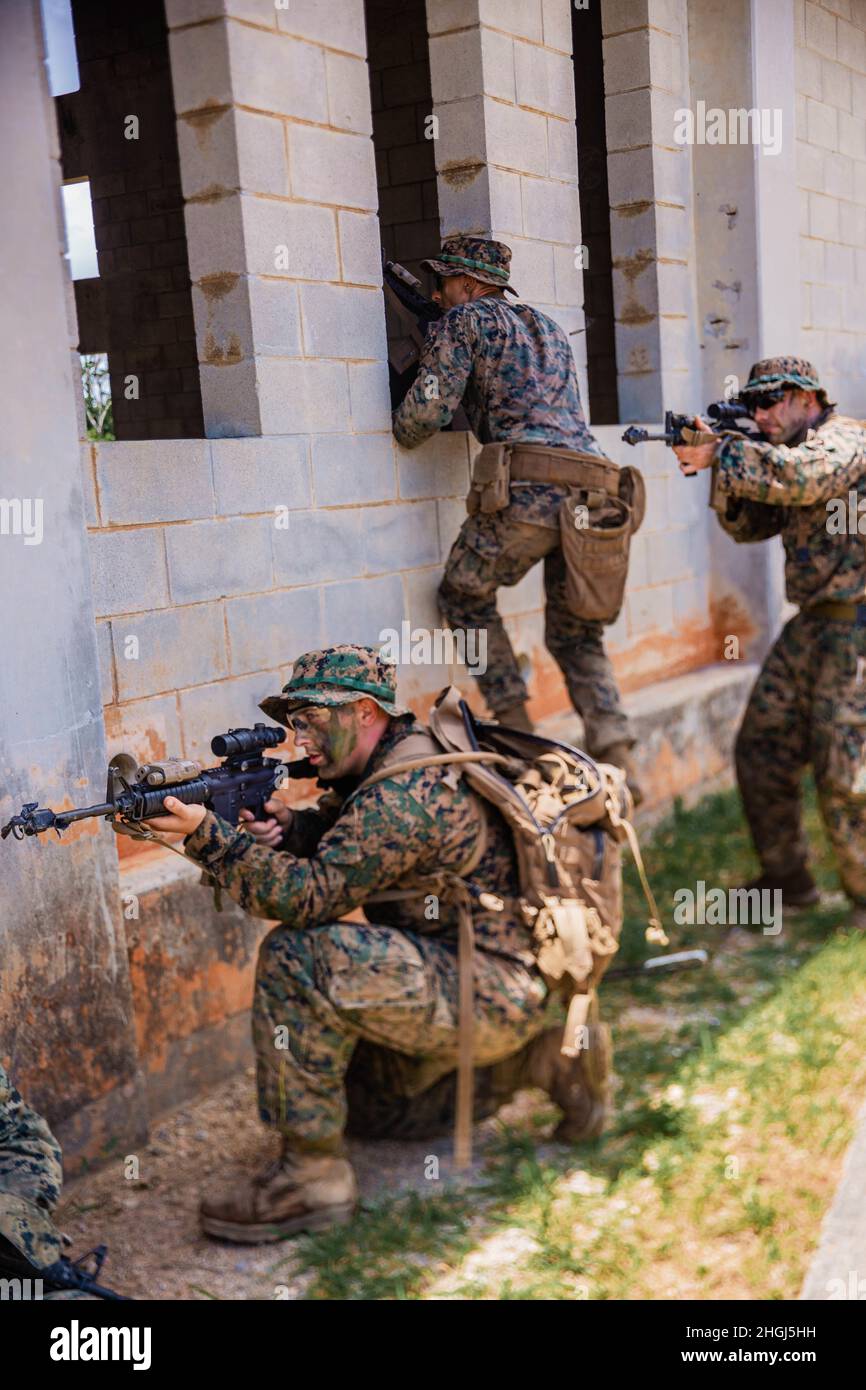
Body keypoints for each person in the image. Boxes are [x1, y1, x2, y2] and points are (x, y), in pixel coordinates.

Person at [143, 645, 603, 1243]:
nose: (298, 738)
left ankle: (312, 1182)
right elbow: (355, 846)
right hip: (504, 972)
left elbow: (308, 898)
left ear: (363, 712)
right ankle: (538, 1054)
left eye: (310, 719)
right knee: (368, 1110)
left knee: (296, 959)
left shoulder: (402, 793)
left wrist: (210, 840)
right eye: (294, 721)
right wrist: (291, 827)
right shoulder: (402, 756)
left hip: (489, 988)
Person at [391, 234, 640, 800]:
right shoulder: (549, 327)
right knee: (577, 633)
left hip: (530, 485)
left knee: (463, 593)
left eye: (445, 283)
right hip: (594, 491)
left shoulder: (466, 319)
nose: (438, 293)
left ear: (471, 285)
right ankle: (621, 758)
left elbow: (419, 421)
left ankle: (520, 736)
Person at [673, 356, 866, 927]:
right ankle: (789, 881)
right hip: (813, 624)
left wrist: (726, 453)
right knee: (762, 747)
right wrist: (715, 463)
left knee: (845, 769)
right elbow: (749, 525)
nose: (760, 413)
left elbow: (803, 478)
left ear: (809, 397)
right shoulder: (781, 454)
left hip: (858, 626)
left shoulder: (845, 441)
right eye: (752, 404)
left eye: (771, 401)